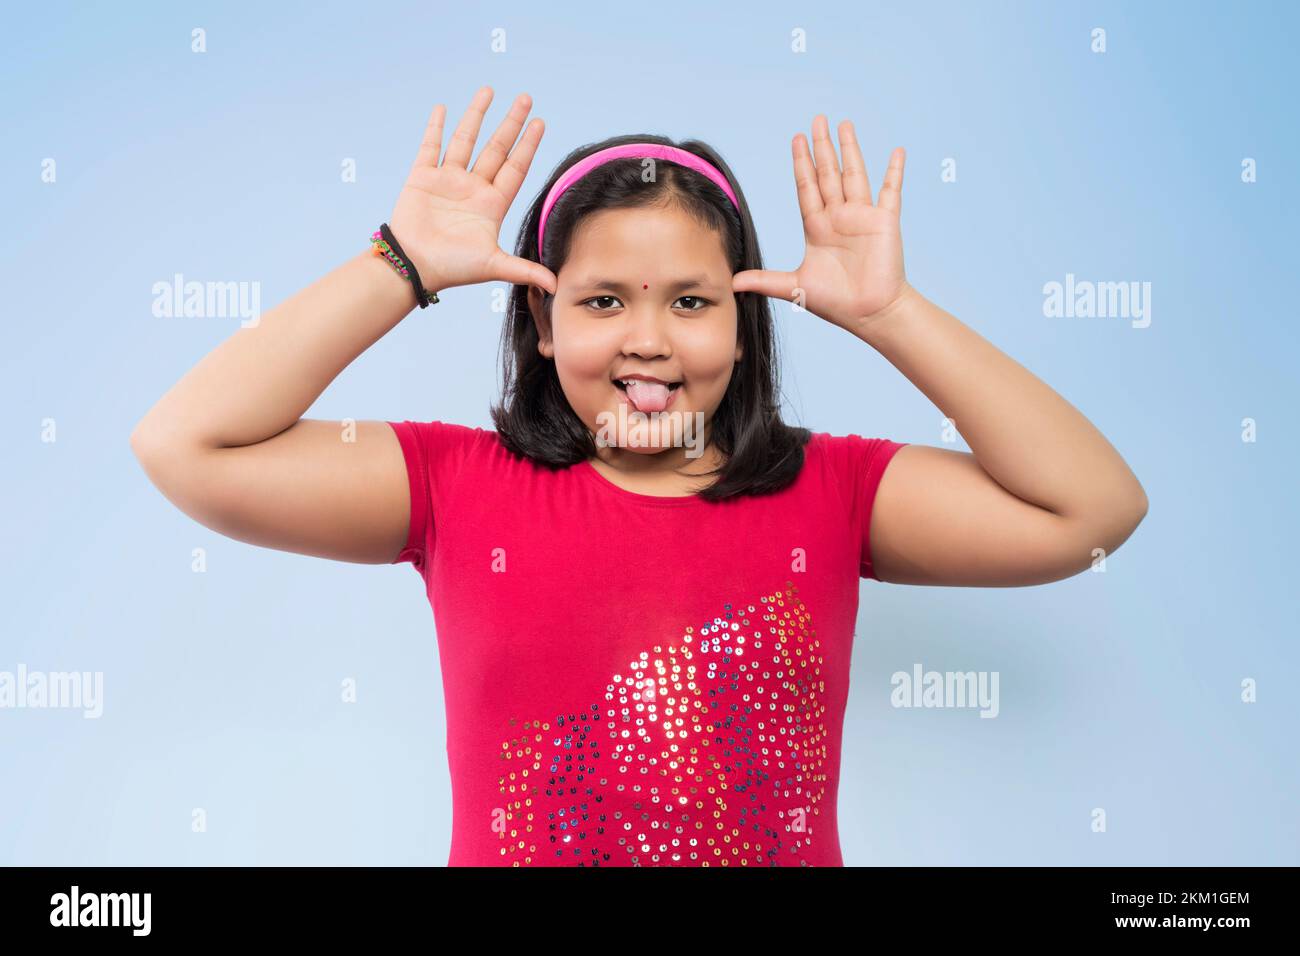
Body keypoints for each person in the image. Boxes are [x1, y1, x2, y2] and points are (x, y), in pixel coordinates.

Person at [130, 86, 1148, 866]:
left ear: (746, 327)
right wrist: (401, 266)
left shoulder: (831, 491)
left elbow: (1092, 510)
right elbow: (187, 444)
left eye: (694, 304)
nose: (648, 342)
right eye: (604, 301)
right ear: (540, 323)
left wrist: (892, 316)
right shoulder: (454, 484)